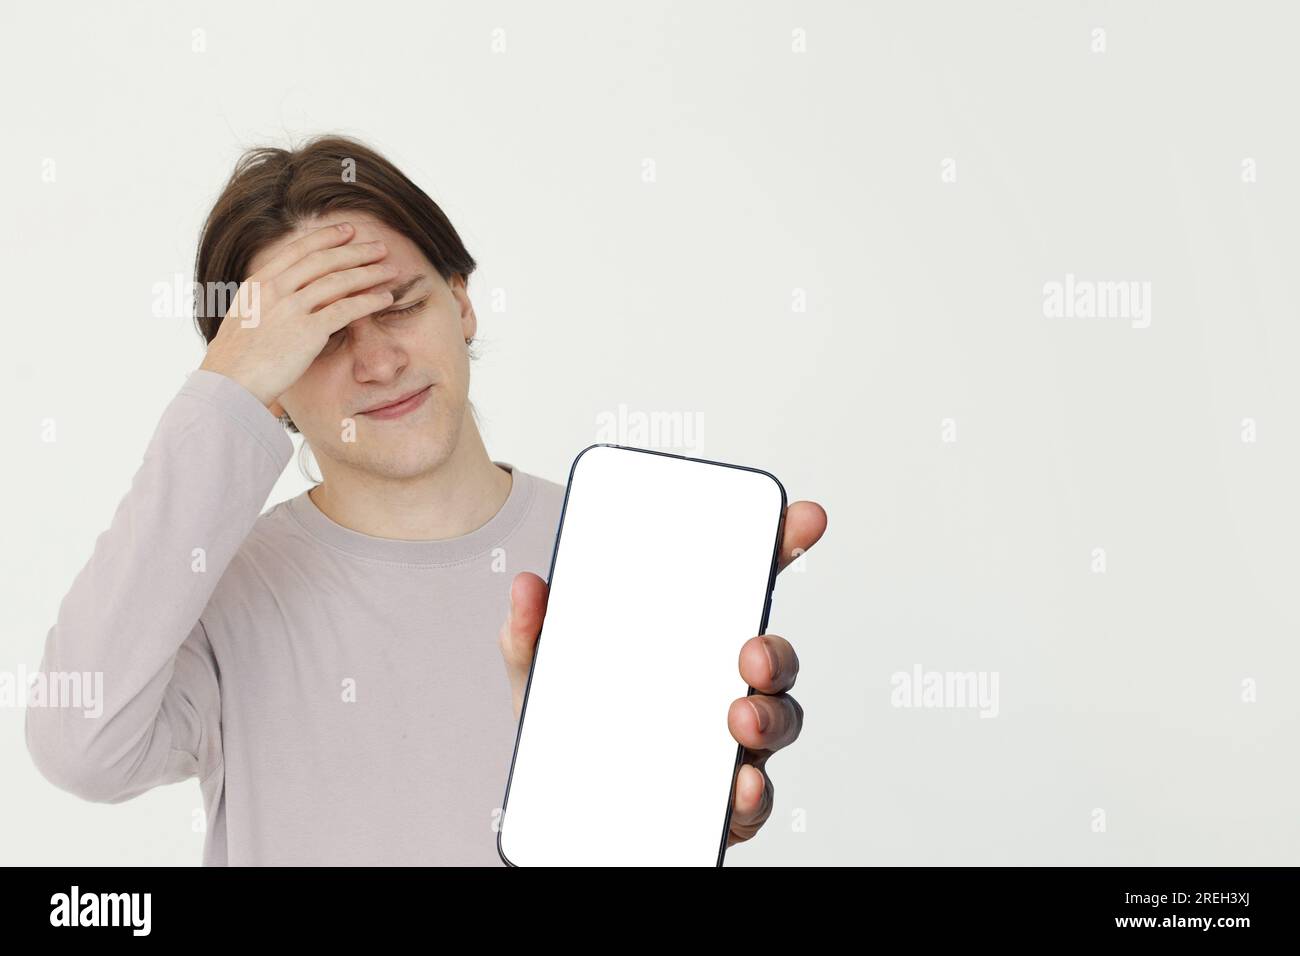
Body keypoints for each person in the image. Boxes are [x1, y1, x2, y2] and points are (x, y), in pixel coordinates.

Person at [25, 135, 825, 865]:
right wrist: (220, 395)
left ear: (462, 301)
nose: (377, 362)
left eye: (399, 305)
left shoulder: (617, 556)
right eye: (320, 333)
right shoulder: (216, 592)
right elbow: (78, 745)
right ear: (265, 376)